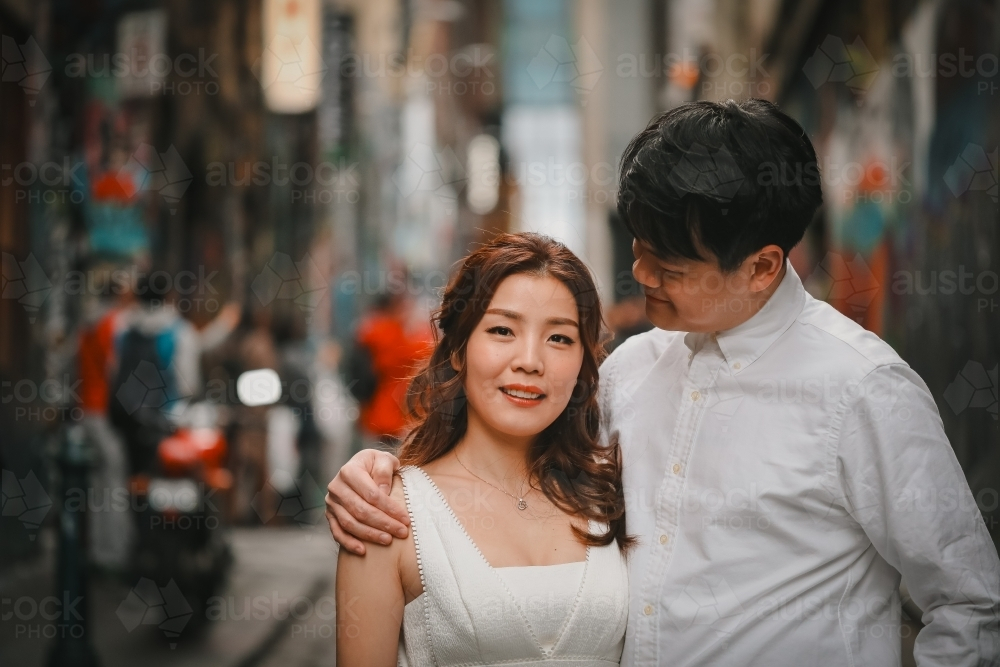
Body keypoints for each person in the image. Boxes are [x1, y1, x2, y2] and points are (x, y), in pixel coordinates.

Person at [326, 100, 1000, 666]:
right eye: (639, 247)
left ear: (762, 266)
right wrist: (377, 472)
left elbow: (971, 604)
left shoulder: (863, 391)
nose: (642, 274)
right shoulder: (630, 371)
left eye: (670, 266)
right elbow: (514, 459)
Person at [336, 233, 632, 666]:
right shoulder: (385, 513)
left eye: (559, 338)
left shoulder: (614, 491)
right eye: (502, 330)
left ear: (583, 365)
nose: (530, 361)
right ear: (458, 350)